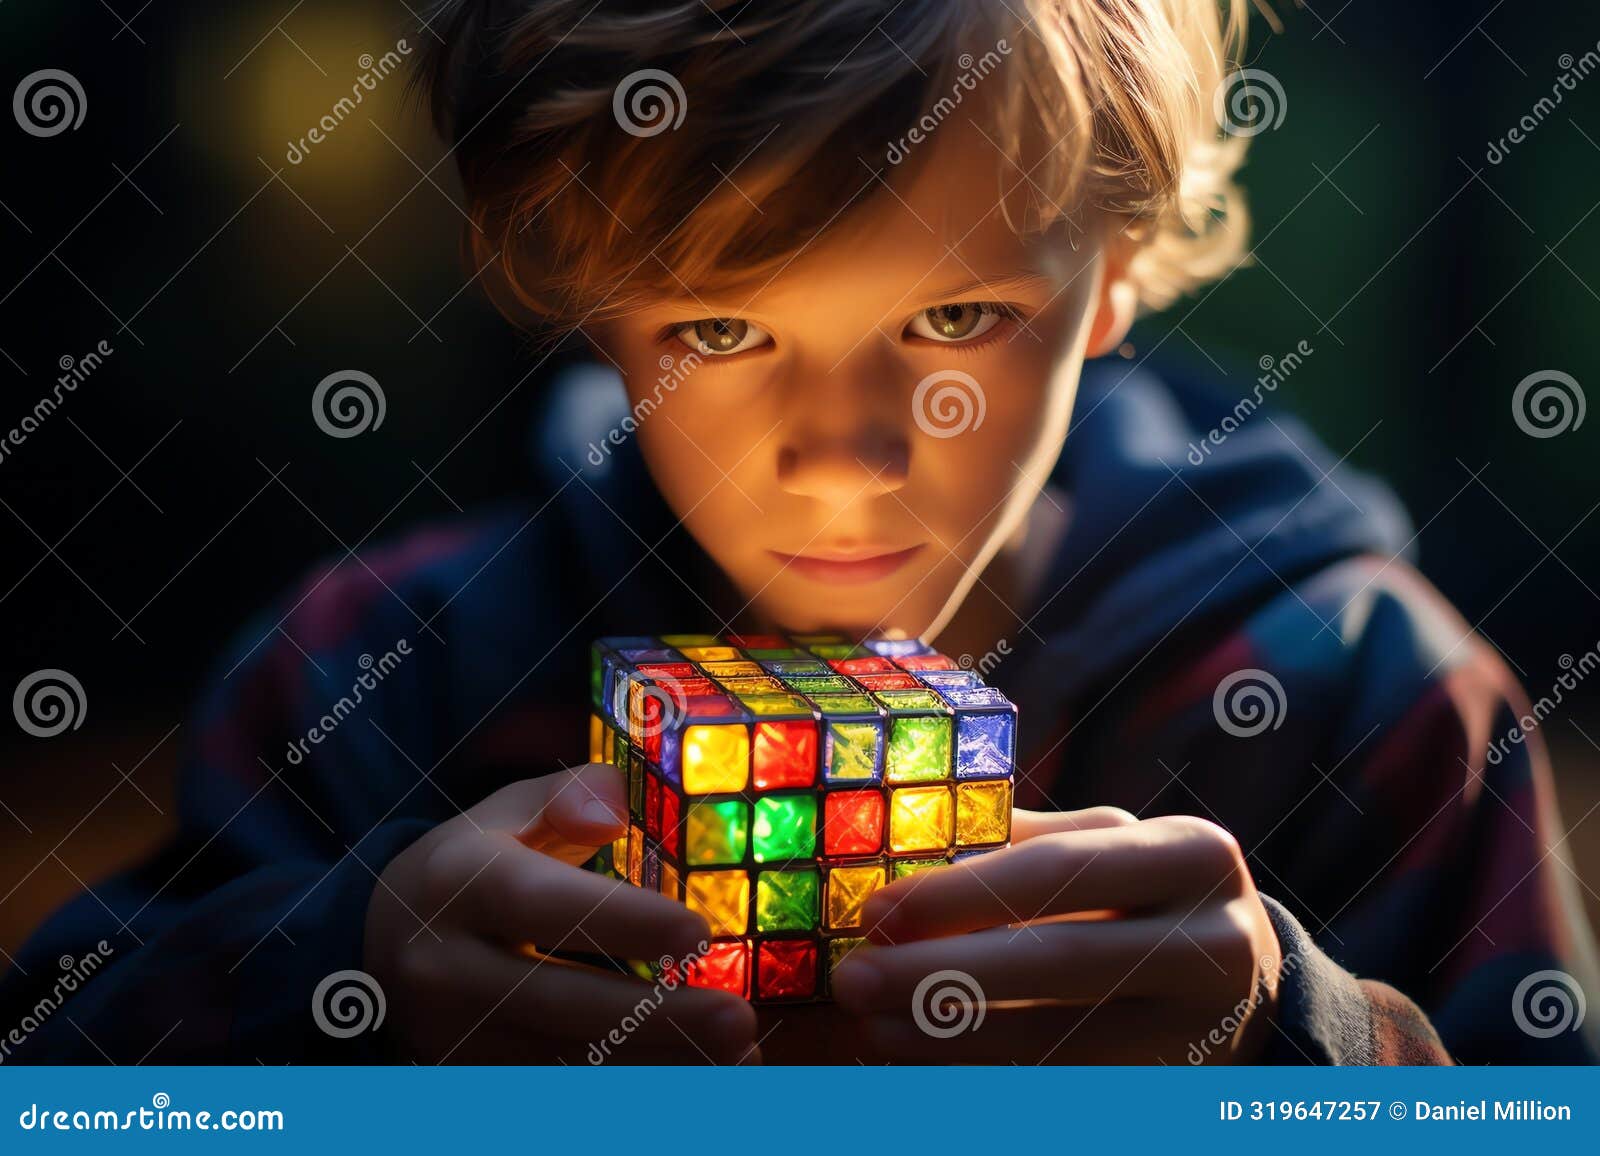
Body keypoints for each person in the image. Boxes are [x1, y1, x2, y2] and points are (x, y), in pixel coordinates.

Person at [3, 0, 1596, 1064]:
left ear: (1113, 267)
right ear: (587, 296)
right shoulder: (381, 674)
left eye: (954, 315)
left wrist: (1289, 1039)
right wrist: (338, 978)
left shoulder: (1368, 699)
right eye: (720, 330)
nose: (844, 462)